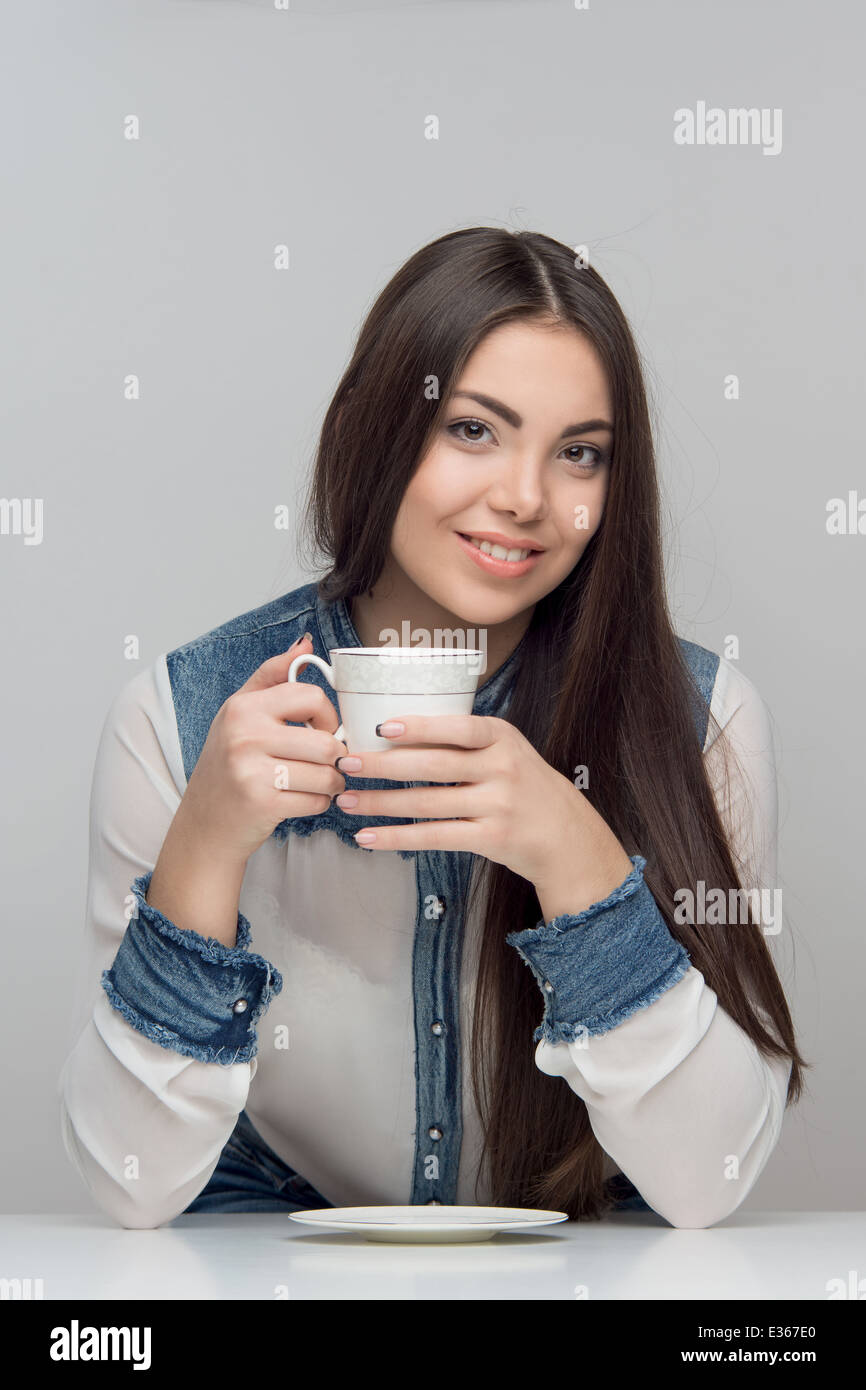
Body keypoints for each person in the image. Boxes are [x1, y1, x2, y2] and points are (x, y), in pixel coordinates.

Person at [59, 227, 807, 1230]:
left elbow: (707, 1182)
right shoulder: (180, 716)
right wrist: (202, 845)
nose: (523, 498)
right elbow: (128, 1185)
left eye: (578, 453)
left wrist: (572, 854)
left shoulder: (701, 721)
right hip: (264, 1258)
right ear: (377, 427)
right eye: (472, 430)